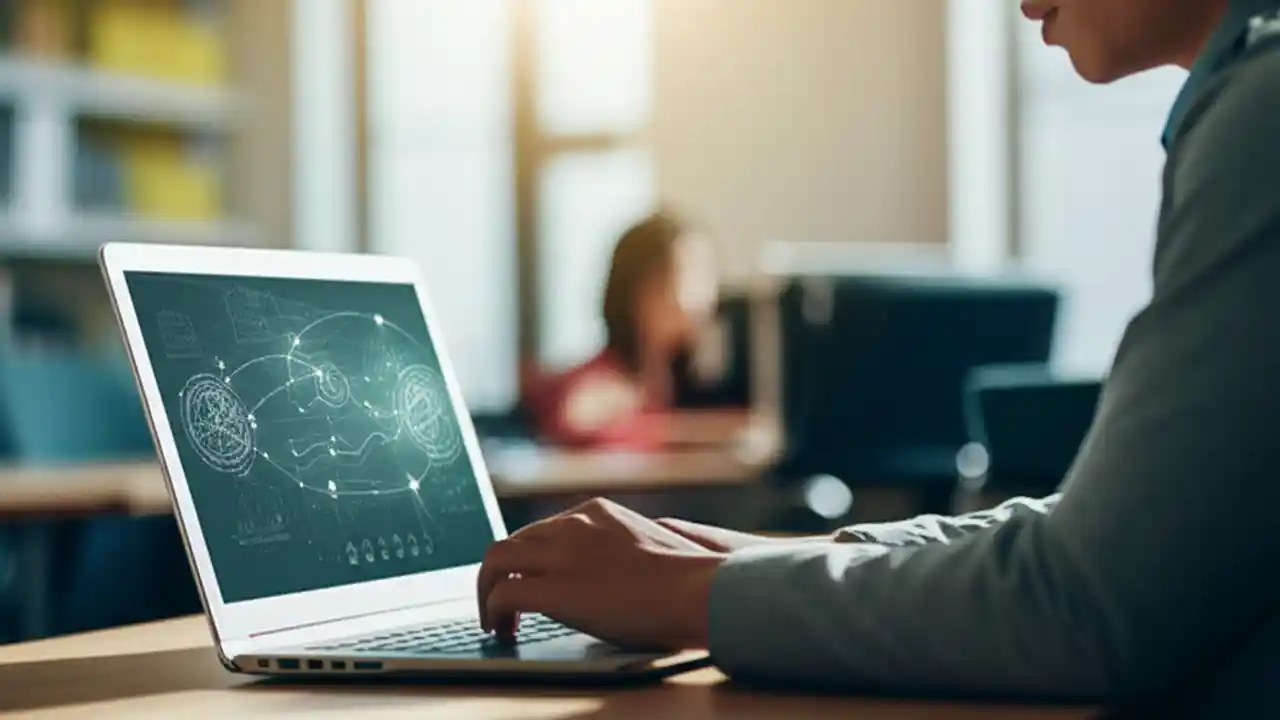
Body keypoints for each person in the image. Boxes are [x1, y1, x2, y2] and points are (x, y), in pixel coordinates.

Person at [479, 0, 1280, 710]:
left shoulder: (1261, 114)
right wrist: (770, 557)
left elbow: (1082, 600)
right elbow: (1099, 539)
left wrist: (690, 592)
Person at [526, 212, 719, 450]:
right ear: (641, 290)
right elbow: (575, 425)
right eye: (688, 274)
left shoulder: (694, 383)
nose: (705, 295)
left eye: (707, 275)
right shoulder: (598, 386)